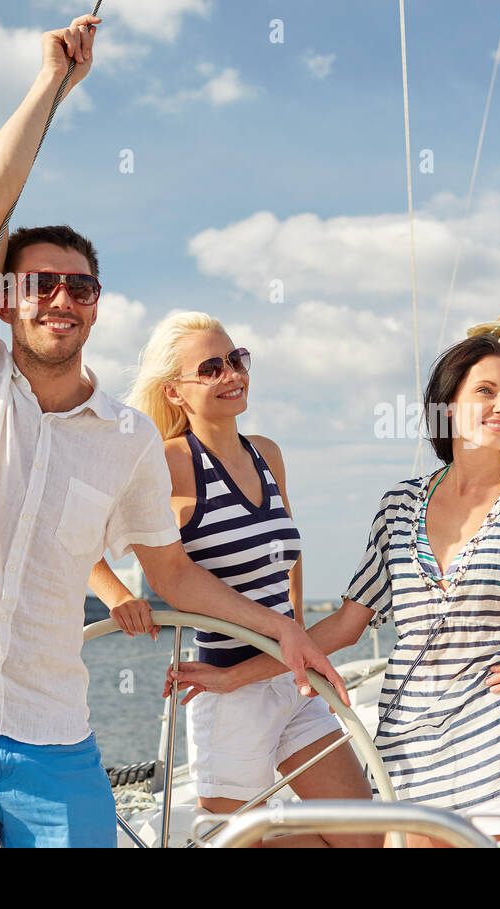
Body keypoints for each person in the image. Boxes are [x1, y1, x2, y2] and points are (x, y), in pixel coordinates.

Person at [0, 12, 345, 849]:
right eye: (40, 282)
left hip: (52, 732)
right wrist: (53, 84)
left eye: (80, 288)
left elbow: (175, 579)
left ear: (98, 305)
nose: (60, 299)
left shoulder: (126, 439)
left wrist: (284, 629)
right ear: (6, 300)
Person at [168, 336, 500, 847]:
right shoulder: (400, 506)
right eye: (486, 391)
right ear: (447, 406)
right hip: (408, 750)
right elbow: (345, 628)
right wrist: (235, 676)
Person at [90, 311, 378, 847]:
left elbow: (290, 554)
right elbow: (78, 535)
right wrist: (118, 594)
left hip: (291, 677)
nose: (232, 374)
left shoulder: (267, 453)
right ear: (174, 392)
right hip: (226, 688)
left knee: (365, 838)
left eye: (236, 359)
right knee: (232, 841)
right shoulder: (165, 464)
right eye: (212, 367)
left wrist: (293, 628)